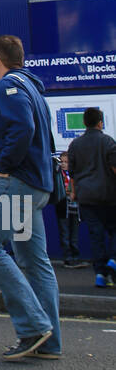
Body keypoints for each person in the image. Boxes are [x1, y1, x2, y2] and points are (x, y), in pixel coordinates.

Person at [0, 35, 60, 360]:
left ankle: (33, 327)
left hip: (16, 183)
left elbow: (22, 127)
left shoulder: (8, 85)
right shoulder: (33, 87)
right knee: (35, 262)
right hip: (38, 186)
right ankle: (49, 342)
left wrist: (4, 169)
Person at [67, 107, 116, 288]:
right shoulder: (108, 142)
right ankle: (113, 261)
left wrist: (73, 192)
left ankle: (100, 275)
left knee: (96, 236)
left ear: (84, 122)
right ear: (100, 123)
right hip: (109, 195)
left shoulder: (75, 144)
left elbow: (72, 173)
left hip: (86, 197)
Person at [55, 153, 87, 267]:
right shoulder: (58, 175)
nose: (64, 164)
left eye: (66, 162)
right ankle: (67, 257)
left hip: (75, 207)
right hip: (63, 207)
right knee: (65, 233)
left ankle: (75, 256)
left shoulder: (75, 176)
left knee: (74, 234)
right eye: (62, 162)